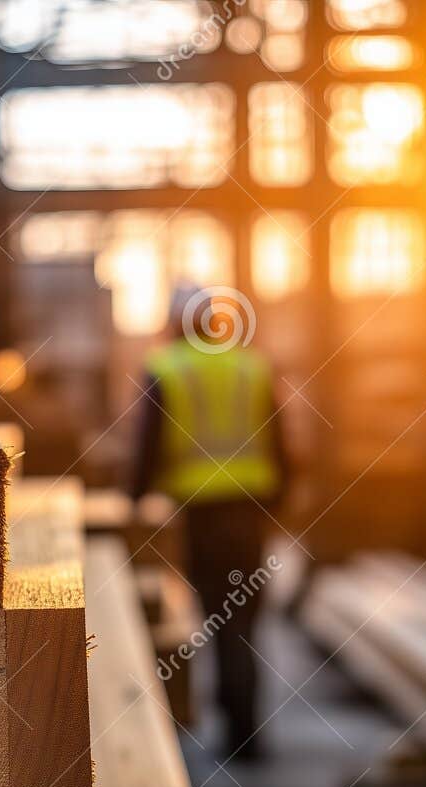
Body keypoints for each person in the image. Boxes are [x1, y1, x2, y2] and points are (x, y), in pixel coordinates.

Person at [128, 283, 289, 761]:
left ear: (176, 323)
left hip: (200, 513)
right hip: (249, 510)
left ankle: (231, 721)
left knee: (216, 613)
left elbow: (147, 443)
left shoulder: (165, 368)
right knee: (244, 617)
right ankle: (247, 730)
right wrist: (279, 503)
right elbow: (280, 441)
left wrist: (133, 500)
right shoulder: (252, 366)